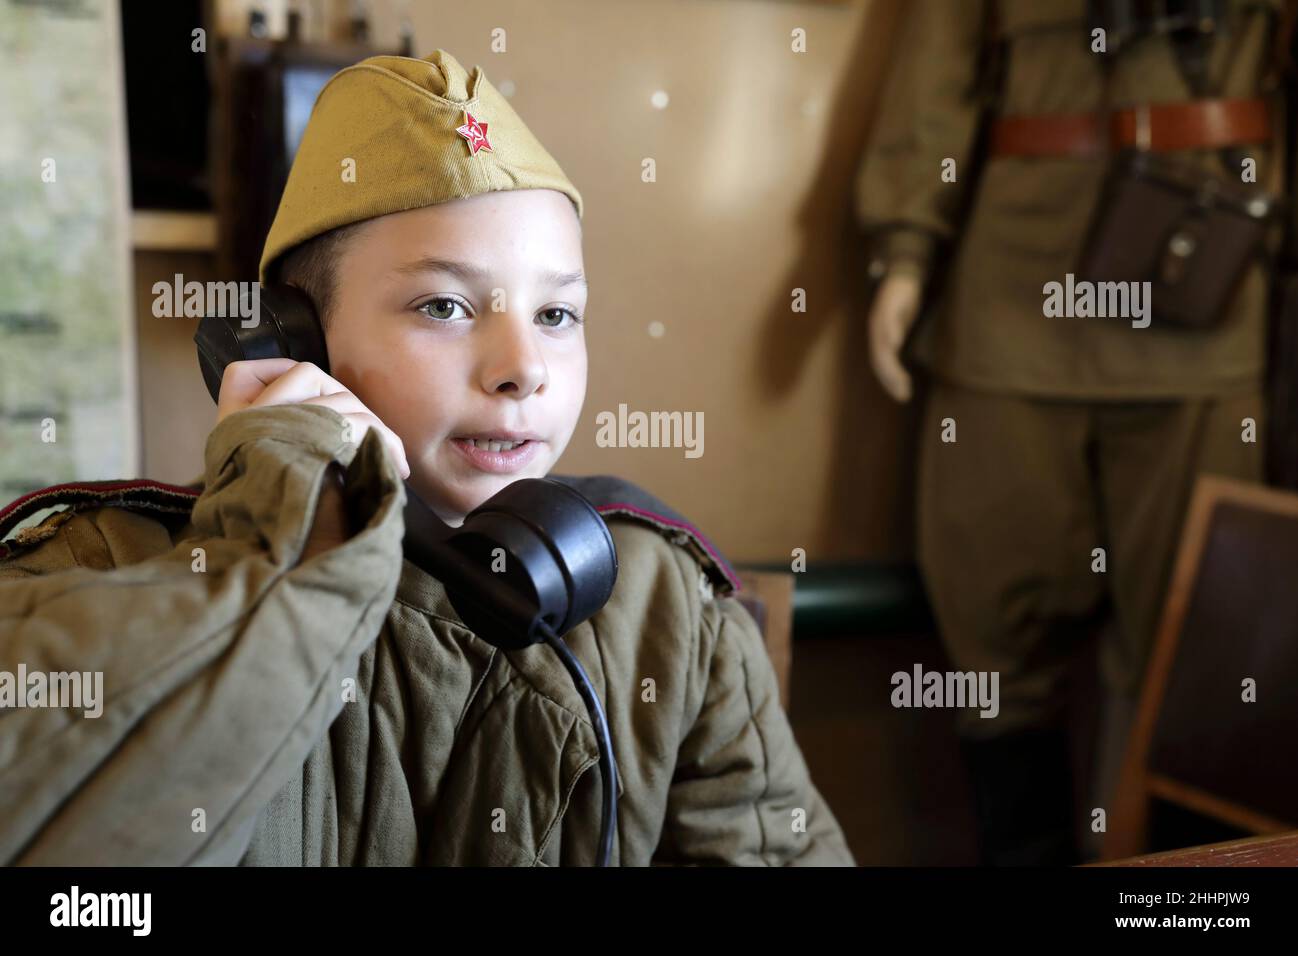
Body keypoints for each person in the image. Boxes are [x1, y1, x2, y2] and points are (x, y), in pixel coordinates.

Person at [0, 49, 853, 867]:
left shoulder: (663, 608)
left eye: (557, 315)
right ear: (296, 340)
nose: (524, 368)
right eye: (445, 305)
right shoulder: (97, 564)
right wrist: (277, 519)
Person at [855, 0, 1284, 864]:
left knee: (1188, 646)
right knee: (990, 629)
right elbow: (937, 75)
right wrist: (905, 251)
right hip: (1017, 298)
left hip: (1213, 292)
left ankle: (1166, 902)